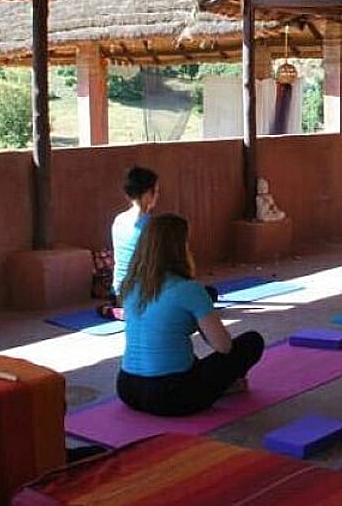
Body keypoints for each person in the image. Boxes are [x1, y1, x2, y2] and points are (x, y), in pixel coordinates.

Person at [116, 213, 265, 416]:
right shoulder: (188, 289)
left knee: (182, 354)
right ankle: (227, 386)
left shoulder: (130, 285)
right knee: (251, 342)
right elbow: (223, 346)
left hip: (127, 388)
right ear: (180, 248)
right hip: (171, 396)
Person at [111, 166, 159, 299]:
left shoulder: (118, 220)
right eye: (156, 191)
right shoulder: (152, 225)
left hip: (120, 292)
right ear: (148, 194)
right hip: (143, 294)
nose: (157, 195)